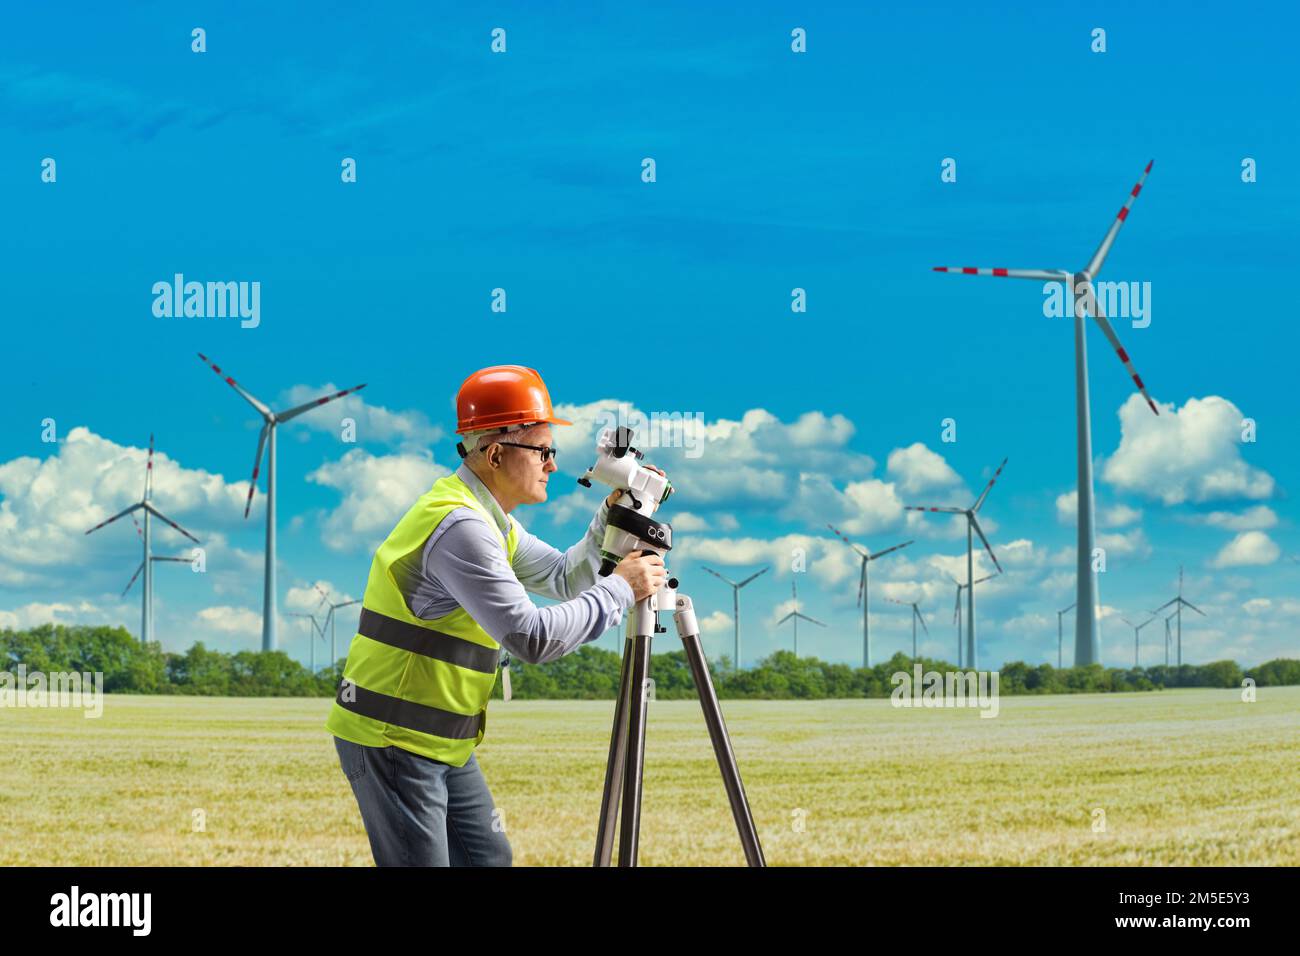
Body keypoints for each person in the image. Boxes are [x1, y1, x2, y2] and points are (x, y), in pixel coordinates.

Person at [325, 364, 667, 866]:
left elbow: (564, 577)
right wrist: (620, 590)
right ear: (496, 453)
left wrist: (610, 520)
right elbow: (531, 637)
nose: (553, 464)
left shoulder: (491, 521)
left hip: (442, 738)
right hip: (394, 737)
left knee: (489, 860)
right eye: (544, 451)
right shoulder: (460, 526)